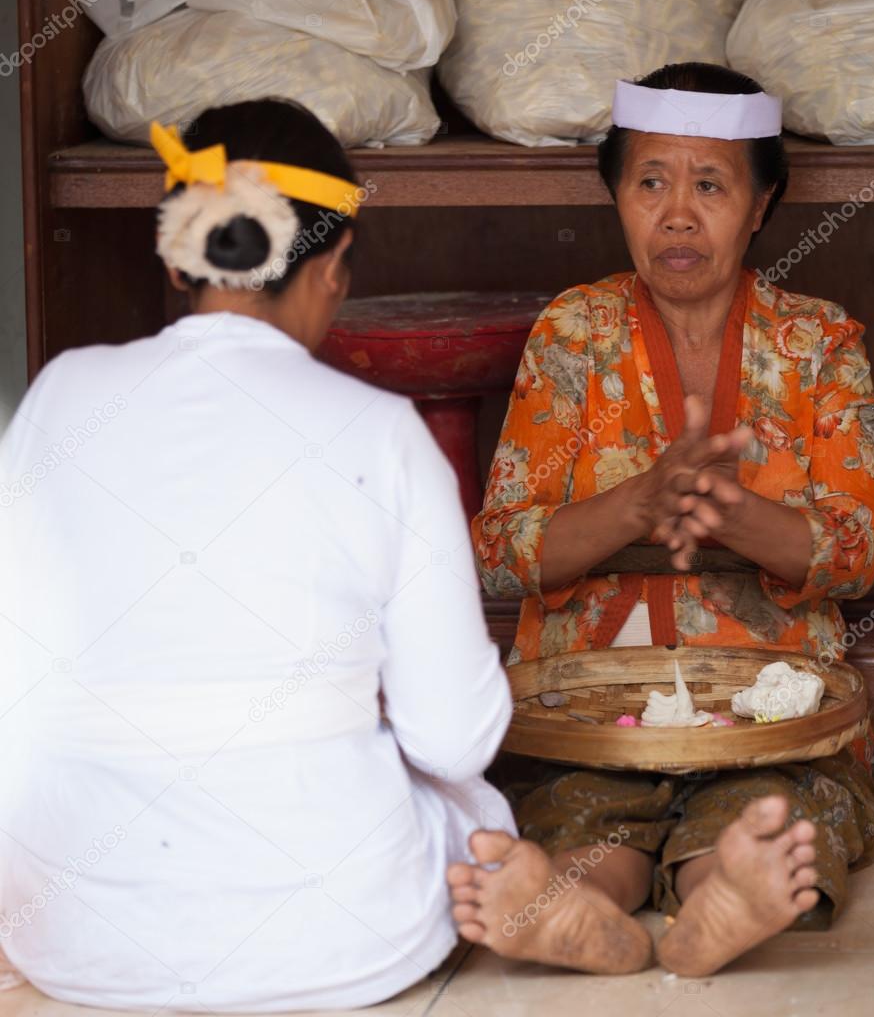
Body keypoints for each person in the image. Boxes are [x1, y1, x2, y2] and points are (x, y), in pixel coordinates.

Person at [0, 99, 514, 1011]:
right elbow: (457, 736)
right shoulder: (382, 432)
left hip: (70, 936)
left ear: (175, 255)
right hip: (336, 943)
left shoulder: (60, 394)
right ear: (334, 271)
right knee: (476, 810)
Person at [450, 63, 874, 977]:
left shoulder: (817, 344)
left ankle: (714, 906)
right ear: (616, 192)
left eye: (710, 185)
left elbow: (853, 554)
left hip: (771, 710)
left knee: (768, 813)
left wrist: (730, 512)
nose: (677, 215)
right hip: (589, 706)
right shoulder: (573, 333)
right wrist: (639, 503)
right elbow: (501, 551)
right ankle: (589, 915)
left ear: (761, 203)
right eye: (650, 181)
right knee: (584, 814)